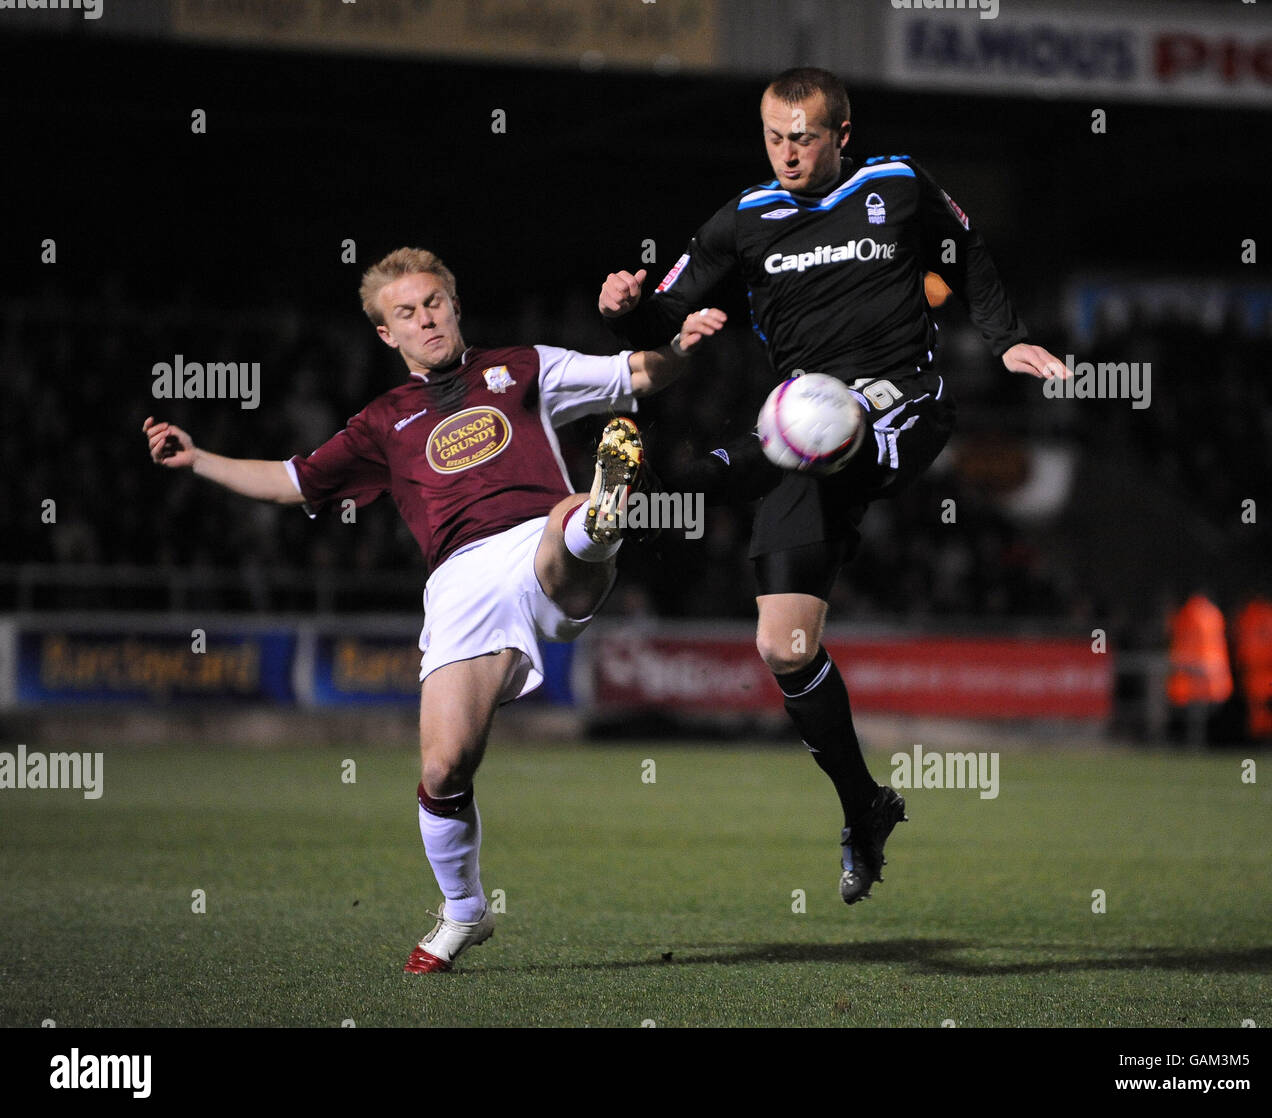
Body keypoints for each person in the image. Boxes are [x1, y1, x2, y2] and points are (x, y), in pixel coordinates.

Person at [144, 247, 725, 971]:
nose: (425, 319)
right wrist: (197, 458)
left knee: (565, 529)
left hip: (537, 543)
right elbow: (292, 481)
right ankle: (465, 911)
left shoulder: (522, 366)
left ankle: (599, 519)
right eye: (406, 313)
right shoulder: (380, 422)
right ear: (386, 334)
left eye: (434, 303)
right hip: (459, 586)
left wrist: (678, 345)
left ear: (455, 304)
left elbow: (635, 372)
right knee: (445, 766)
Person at [597, 68, 1070, 904]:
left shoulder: (895, 184)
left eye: (805, 136)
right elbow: (665, 311)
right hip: (801, 424)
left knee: (814, 435)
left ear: (841, 134)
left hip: (899, 403)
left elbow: (966, 254)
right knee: (783, 647)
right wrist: (630, 311)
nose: (788, 152)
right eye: (775, 136)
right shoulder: (743, 220)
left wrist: (1004, 339)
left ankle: (692, 484)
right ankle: (866, 807)